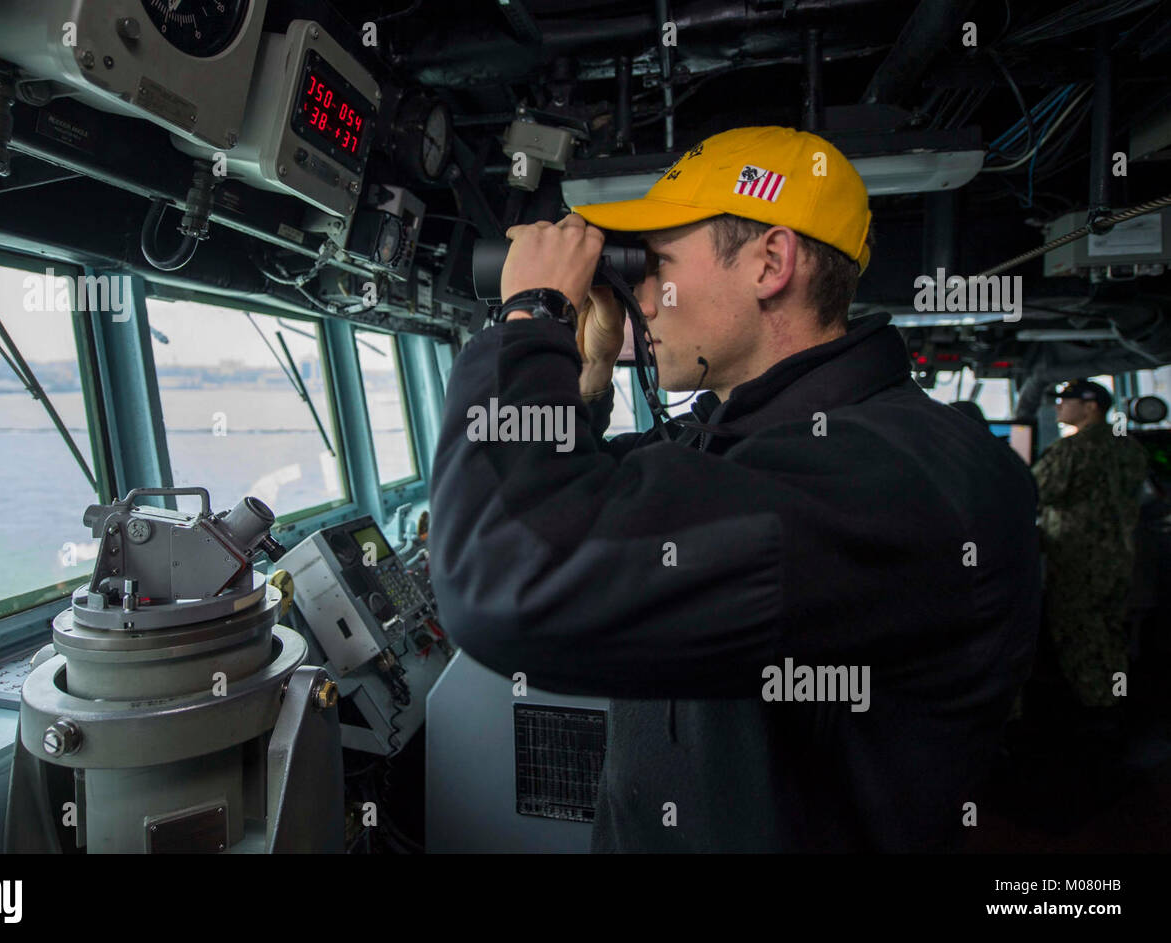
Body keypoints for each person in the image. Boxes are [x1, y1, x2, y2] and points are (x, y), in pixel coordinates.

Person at [428, 126, 1040, 852]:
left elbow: (509, 570)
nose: (643, 298)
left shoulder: (899, 472)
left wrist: (531, 316)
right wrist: (584, 376)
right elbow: (597, 498)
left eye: (655, 264)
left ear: (769, 262)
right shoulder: (741, 438)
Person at [1031, 379, 1148, 713]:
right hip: (1120, 558)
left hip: (1077, 561)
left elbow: (1035, 492)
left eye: (1066, 400)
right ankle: (1120, 697)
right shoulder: (1130, 448)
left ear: (1091, 406)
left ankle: (1101, 709)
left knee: (1079, 633)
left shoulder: (1071, 450)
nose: (1059, 406)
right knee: (1111, 630)